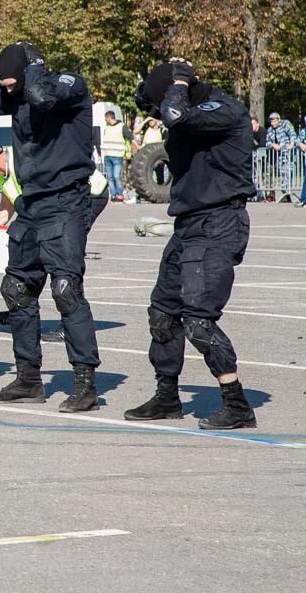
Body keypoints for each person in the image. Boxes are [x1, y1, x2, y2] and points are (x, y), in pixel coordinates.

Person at [0, 42, 101, 412]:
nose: (6, 91)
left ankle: (85, 383)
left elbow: (41, 95)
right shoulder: (16, 94)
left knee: (66, 290)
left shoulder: (67, 85)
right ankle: (28, 378)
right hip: (33, 203)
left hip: (65, 200)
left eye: (10, 82)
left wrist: (32, 65)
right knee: (16, 289)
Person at [124, 60, 258, 429]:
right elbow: (160, 108)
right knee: (163, 312)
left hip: (219, 222)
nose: (158, 116)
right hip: (189, 223)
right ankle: (167, 395)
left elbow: (176, 114)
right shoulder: (182, 111)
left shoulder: (222, 110)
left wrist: (178, 82)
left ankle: (236, 404)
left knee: (199, 320)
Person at [0, 137, 108, 342]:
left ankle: (69, 325)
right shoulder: (4, 173)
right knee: (28, 253)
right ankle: (21, 309)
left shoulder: (25, 162)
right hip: (49, 207)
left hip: (87, 196)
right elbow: (6, 208)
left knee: (64, 257)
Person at [100, 109, 132, 202]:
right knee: (109, 177)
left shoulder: (121, 126)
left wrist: (136, 145)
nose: (105, 120)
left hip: (117, 156)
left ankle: (120, 194)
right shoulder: (107, 127)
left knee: (116, 176)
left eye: (105, 118)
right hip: (107, 156)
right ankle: (113, 195)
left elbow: (130, 136)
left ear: (109, 117)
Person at [265, 112, 295, 203]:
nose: (273, 123)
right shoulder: (270, 130)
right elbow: (267, 142)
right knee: (282, 173)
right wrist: (273, 145)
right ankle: (285, 194)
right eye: (271, 121)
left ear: (279, 119)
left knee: (289, 172)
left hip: (288, 153)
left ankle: (288, 193)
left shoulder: (286, 124)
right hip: (279, 155)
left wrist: (291, 144)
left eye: (274, 121)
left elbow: (292, 134)